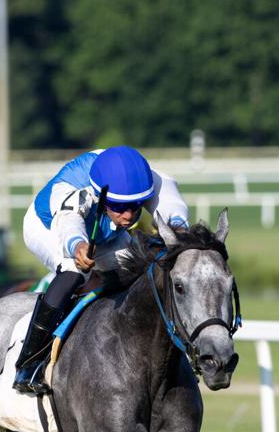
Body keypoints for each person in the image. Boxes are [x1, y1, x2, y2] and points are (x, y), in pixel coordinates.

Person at [13, 146, 189, 394]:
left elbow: (173, 206)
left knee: (149, 267)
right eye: (119, 207)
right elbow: (69, 222)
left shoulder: (143, 177)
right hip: (48, 227)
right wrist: (78, 245)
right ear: (102, 196)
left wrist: (179, 231)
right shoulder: (73, 188)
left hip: (106, 234)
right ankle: (28, 364)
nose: (128, 215)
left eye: (135, 206)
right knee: (76, 271)